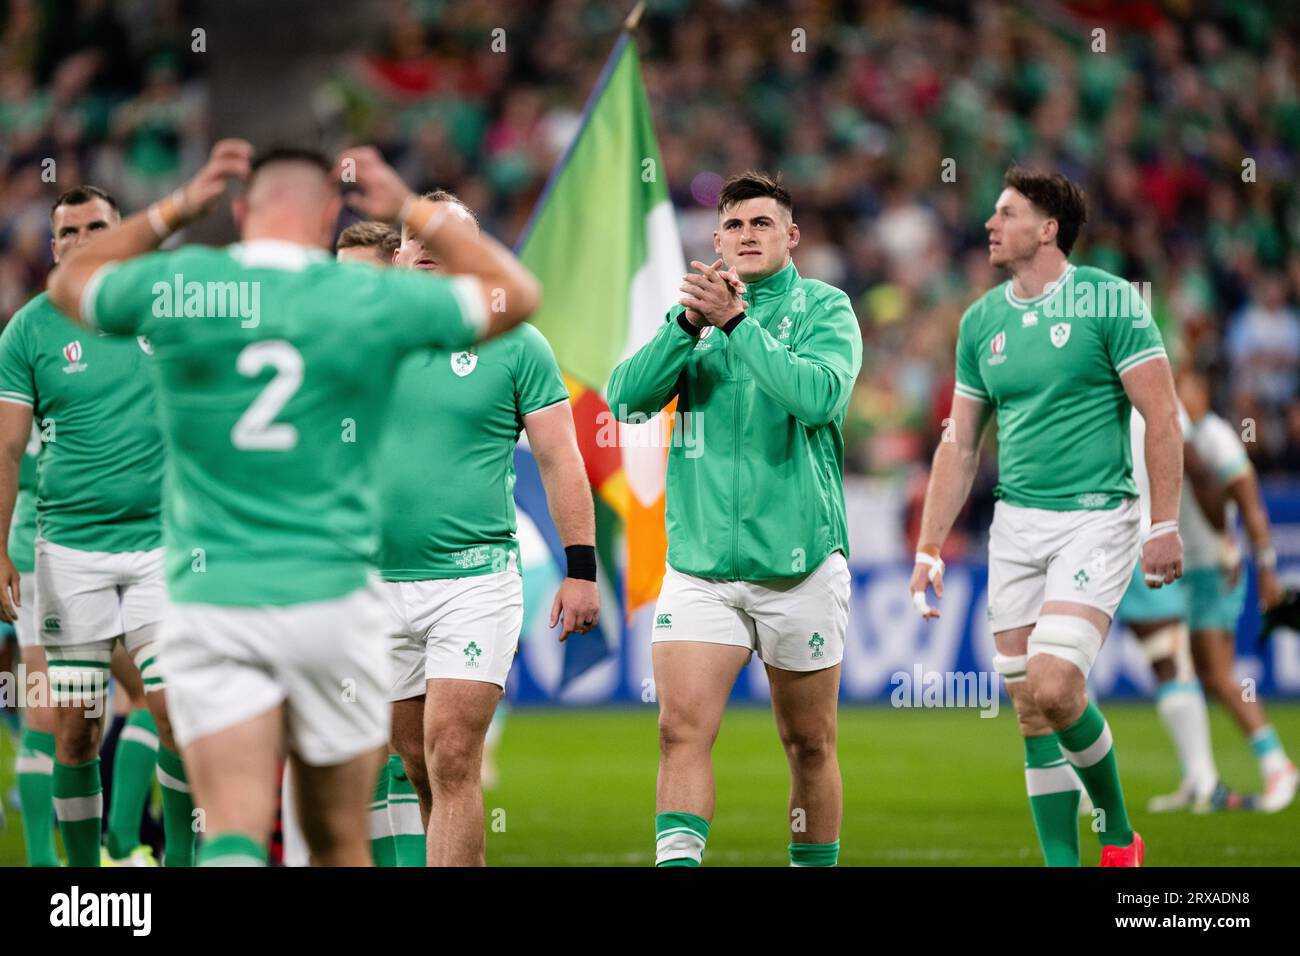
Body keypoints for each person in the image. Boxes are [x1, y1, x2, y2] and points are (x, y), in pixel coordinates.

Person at [47, 141, 540, 866]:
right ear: (325, 222)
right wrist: (406, 208)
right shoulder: (366, 295)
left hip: (214, 600)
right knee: (341, 837)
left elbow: (73, 283)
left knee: (239, 826)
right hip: (333, 601)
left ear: (240, 209)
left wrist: (179, 205)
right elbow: (516, 295)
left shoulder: (186, 284)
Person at [910, 166, 1182, 867]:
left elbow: (1161, 416)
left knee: (1057, 684)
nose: (990, 225)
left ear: (1048, 228)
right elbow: (960, 443)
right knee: (1031, 708)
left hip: (1096, 518)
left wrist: (1164, 523)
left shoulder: (1109, 301)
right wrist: (929, 547)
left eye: (1006, 213)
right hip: (1016, 527)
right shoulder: (981, 321)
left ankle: (1119, 837)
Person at [608, 171, 862, 867]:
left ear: (792, 237)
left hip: (800, 564)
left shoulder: (826, 309)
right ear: (715, 239)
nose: (747, 236)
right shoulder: (692, 318)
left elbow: (816, 398)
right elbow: (625, 403)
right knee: (678, 731)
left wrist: (737, 324)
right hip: (700, 569)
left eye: (762, 224)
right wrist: (688, 325)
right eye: (734, 226)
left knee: (808, 743)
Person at [374, 192, 597, 866]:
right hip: (374, 585)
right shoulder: (362, 336)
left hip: (473, 580)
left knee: (450, 752)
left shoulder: (516, 342)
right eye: (419, 237)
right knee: (416, 765)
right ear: (398, 256)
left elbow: (560, 458)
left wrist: (581, 569)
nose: (432, 248)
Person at [0, 185, 193, 867]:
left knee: (172, 711)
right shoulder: (27, 330)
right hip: (65, 556)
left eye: (98, 227)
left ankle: (170, 859)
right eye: (69, 231)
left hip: (162, 552)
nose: (82, 240)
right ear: (53, 247)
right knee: (71, 731)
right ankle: (83, 885)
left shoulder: (170, 314)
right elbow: (7, 450)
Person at [1174, 365, 1296, 812]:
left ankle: (1277, 763)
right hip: (1192, 569)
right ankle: (1198, 777)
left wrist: (1266, 568)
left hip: (1215, 569)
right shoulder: (1180, 433)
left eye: (1182, 383)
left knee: (1220, 676)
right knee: (1194, 674)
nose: (1174, 391)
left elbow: (1250, 501)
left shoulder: (1216, 437)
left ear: (1202, 388)